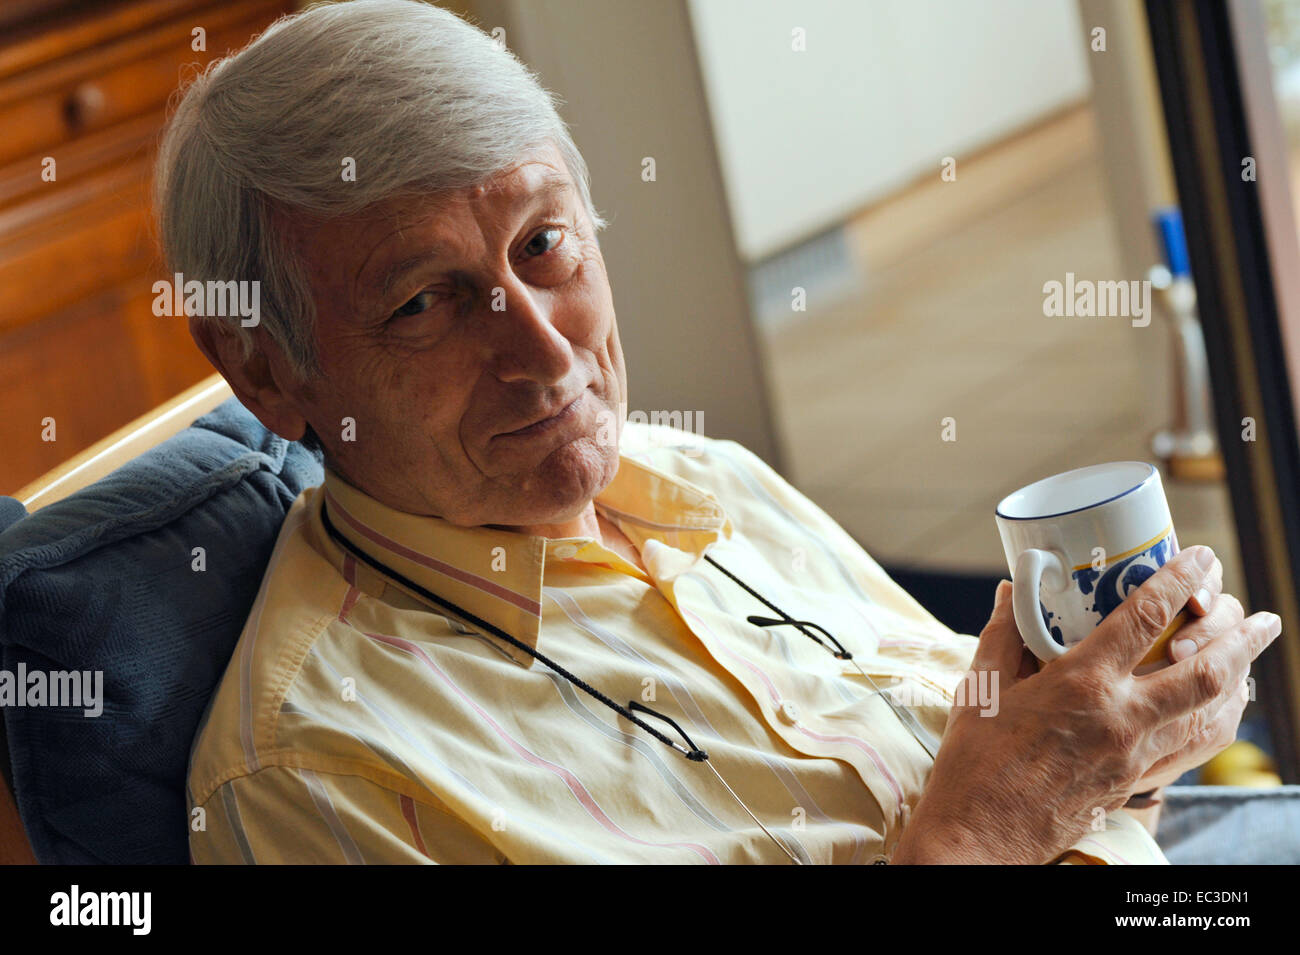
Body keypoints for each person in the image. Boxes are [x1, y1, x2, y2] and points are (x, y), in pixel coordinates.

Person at [160, 0, 1282, 864]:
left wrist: (1127, 745)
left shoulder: (702, 477)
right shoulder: (315, 768)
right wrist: (985, 834)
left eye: (545, 244)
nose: (547, 353)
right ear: (266, 369)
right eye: (423, 304)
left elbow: (1019, 782)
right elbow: (991, 819)